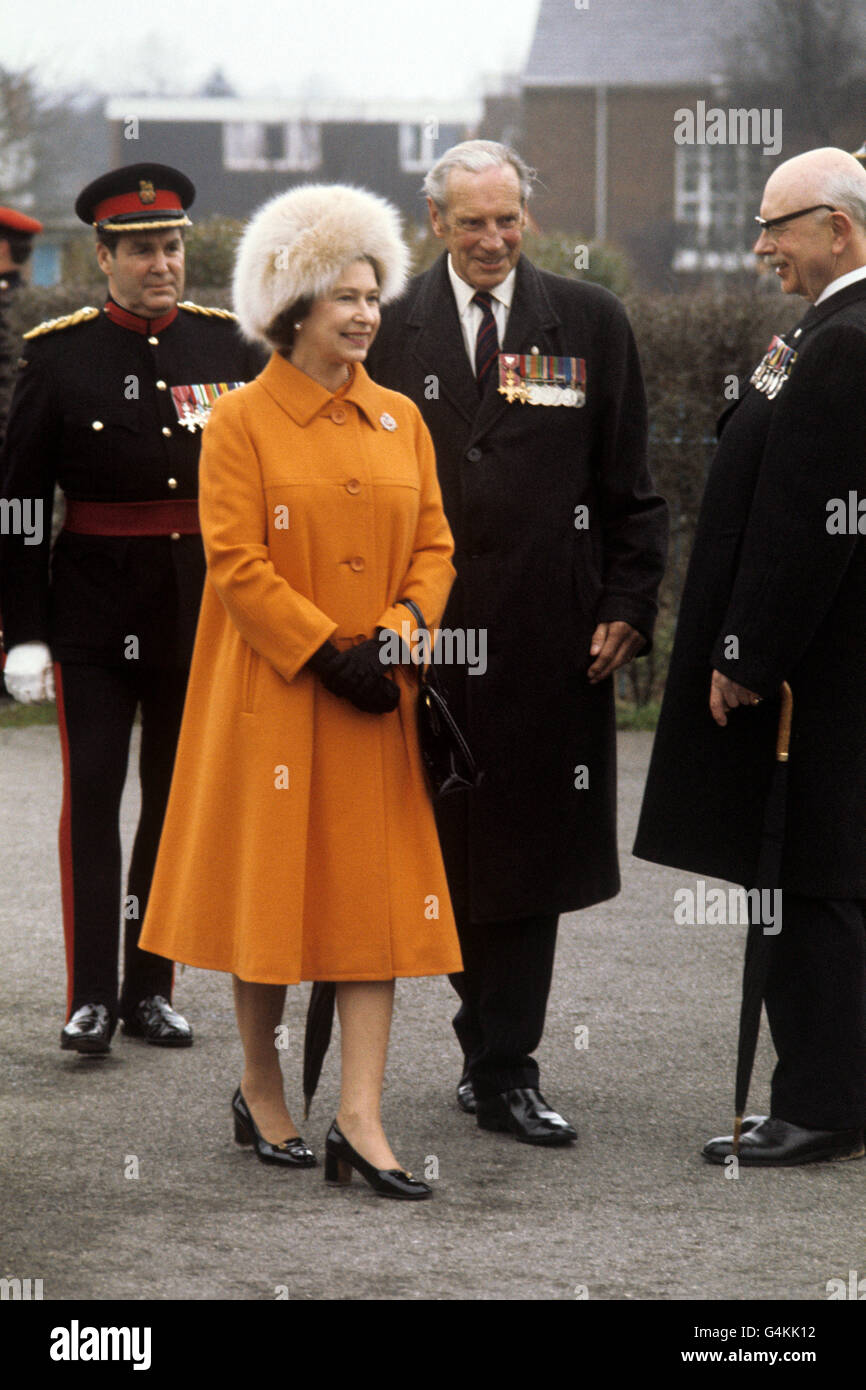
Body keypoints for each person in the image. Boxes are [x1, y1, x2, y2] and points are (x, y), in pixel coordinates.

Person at [138, 183, 462, 1200]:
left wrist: (401, 638)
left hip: (379, 699)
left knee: (369, 909)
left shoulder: (400, 418)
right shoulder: (237, 422)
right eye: (341, 297)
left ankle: (360, 1118)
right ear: (292, 308)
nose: (364, 313)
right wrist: (327, 652)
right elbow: (234, 562)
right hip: (278, 694)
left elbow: (436, 546)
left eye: (372, 294)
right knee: (272, 899)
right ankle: (262, 1079)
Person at [366, 140, 668, 1147]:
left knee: (528, 857)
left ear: (525, 220)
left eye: (506, 221)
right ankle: (480, 1029)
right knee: (442, 851)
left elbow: (629, 490)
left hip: (549, 640)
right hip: (428, 642)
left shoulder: (587, 323)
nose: (490, 240)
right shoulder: (384, 330)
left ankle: (506, 1066)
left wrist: (627, 601)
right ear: (433, 222)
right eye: (469, 224)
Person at [633, 147, 866, 1167]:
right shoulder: (809, 334)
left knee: (809, 883)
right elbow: (753, 438)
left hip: (813, 678)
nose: (758, 243)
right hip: (812, 667)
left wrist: (743, 650)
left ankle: (817, 1103)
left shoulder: (845, 343)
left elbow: (804, 526)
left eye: (777, 225)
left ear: (840, 229)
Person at [0, 163, 263, 1054]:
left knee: (176, 802)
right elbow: (21, 506)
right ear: (105, 255)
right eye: (144, 249)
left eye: (175, 246)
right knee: (95, 794)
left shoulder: (228, 347)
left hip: (200, 611)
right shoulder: (59, 355)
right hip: (91, 615)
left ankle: (153, 986)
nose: (164, 264)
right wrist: (24, 632)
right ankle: (91, 996)